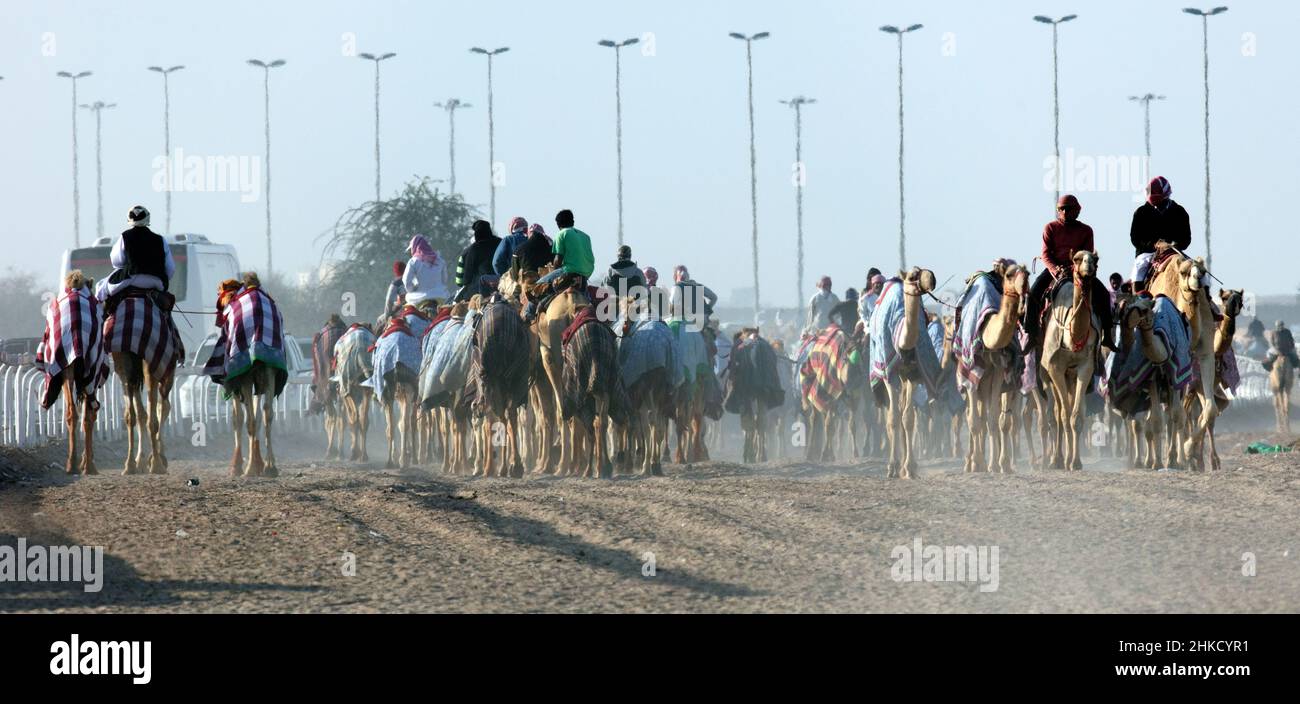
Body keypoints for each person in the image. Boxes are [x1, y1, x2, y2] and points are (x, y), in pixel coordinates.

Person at [1024, 194, 1115, 350]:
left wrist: (1074, 268)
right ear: (1058, 210)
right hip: (1055, 269)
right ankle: (1031, 335)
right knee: (1033, 293)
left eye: (1069, 209)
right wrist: (1056, 270)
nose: (1065, 212)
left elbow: (1086, 254)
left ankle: (1106, 335)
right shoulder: (1050, 228)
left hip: (1079, 271)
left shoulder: (1086, 230)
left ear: (1077, 210)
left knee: (1104, 295)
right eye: (1062, 209)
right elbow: (1045, 254)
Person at [97, 205, 176, 312]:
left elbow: (116, 262)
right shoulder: (160, 239)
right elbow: (170, 269)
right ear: (147, 218)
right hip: (157, 282)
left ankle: (103, 315)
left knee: (102, 286)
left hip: (130, 278)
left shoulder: (124, 236)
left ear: (129, 219)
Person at [1129, 176, 1191, 291]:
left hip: (1174, 252)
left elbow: (1186, 238)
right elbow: (1135, 239)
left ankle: (1205, 300)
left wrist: (1174, 245)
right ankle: (1137, 300)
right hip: (1148, 254)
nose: (1156, 204)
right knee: (1138, 270)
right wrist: (1154, 245)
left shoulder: (1180, 212)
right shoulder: (1141, 212)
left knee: (1197, 271)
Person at [536, 209, 595, 287]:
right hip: (586, 275)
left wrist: (554, 272)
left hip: (569, 272)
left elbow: (558, 260)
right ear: (573, 222)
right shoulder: (586, 236)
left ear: (558, 224)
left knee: (538, 285)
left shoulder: (561, 234)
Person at [454, 220, 502, 302]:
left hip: (480, 288)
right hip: (501, 283)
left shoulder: (474, 248)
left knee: (459, 304)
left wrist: (466, 283)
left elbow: (467, 276)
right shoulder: (500, 242)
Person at [403, 234, 450, 311]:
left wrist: (412, 289)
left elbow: (406, 281)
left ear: (414, 247)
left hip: (419, 298)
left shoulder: (413, 261)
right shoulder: (440, 260)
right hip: (440, 297)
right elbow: (444, 280)